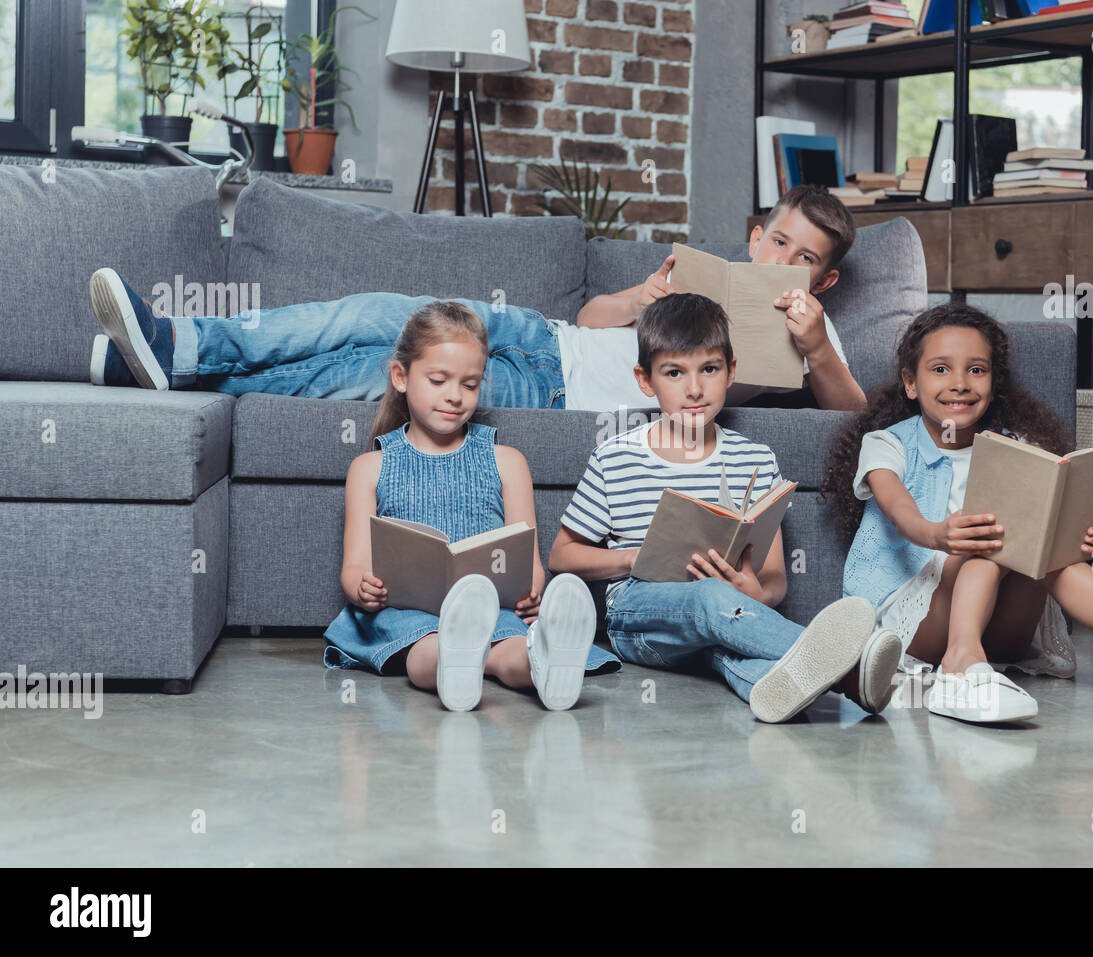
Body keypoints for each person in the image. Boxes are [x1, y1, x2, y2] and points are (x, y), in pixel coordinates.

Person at [85, 185, 867, 412]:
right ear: (758, 230)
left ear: (821, 278)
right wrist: (643, 295)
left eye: (804, 259)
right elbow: (592, 320)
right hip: (542, 334)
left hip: (548, 390)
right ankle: (182, 342)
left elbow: (853, 411)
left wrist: (815, 339)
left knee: (365, 371)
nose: (781, 259)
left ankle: (150, 372)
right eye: (778, 240)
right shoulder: (704, 275)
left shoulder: (796, 340)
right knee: (372, 312)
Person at [820, 302, 1093, 725]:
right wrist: (937, 535)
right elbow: (898, 509)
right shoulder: (887, 444)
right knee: (993, 538)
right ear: (911, 383)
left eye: (977, 370)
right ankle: (959, 665)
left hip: (1003, 627)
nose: (961, 384)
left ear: (993, 381)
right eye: (941, 369)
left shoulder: (1018, 446)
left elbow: (1055, 536)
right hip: (916, 625)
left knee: (1046, 547)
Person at [547, 293, 901, 723]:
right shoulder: (615, 456)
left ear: (731, 370)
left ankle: (771, 690)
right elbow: (562, 556)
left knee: (719, 641)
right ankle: (853, 666)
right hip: (637, 618)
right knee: (710, 600)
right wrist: (630, 558)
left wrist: (756, 592)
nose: (694, 389)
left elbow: (773, 582)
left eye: (709, 369)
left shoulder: (755, 459)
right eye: (674, 373)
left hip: (724, 616)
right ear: (645, 380)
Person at [322, 299, 619, 711]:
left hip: (490, 610)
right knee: (425, 646)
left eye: (470, 384)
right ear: (401, 377)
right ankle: (457, 665)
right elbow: (355, 566)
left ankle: (545, 663)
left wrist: (533, 592)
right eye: (439, 380)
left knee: (510, 644)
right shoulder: (370, 467)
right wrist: (362, 588)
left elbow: (527, 561)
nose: (455, 397)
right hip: (407, 612)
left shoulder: (507, 461)